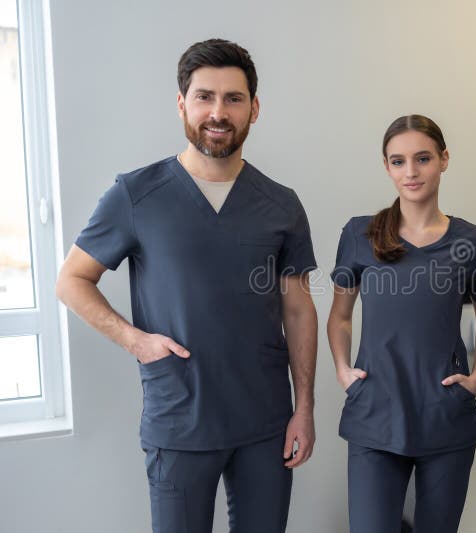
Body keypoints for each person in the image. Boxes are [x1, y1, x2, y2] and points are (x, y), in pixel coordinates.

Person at [55, 38, 318, 533]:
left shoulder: (281, 205)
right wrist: (134, 339)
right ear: (182, 103)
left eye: (233, 99)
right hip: (179, 420)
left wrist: (304, 408)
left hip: (265, 423)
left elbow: (300, 310)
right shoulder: (136, 195)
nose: (218, 112)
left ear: (254, 108)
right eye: (204, 97)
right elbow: (71, 280)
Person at [327, 114, 476, 533]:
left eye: (422, 159)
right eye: (398, 161)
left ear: (444, 159)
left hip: (444, 414)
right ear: (386, 166)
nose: (411, 172)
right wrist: (345, 372)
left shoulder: (471, 242)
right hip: (375, 411)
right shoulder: (360, 234)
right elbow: (340, 317)